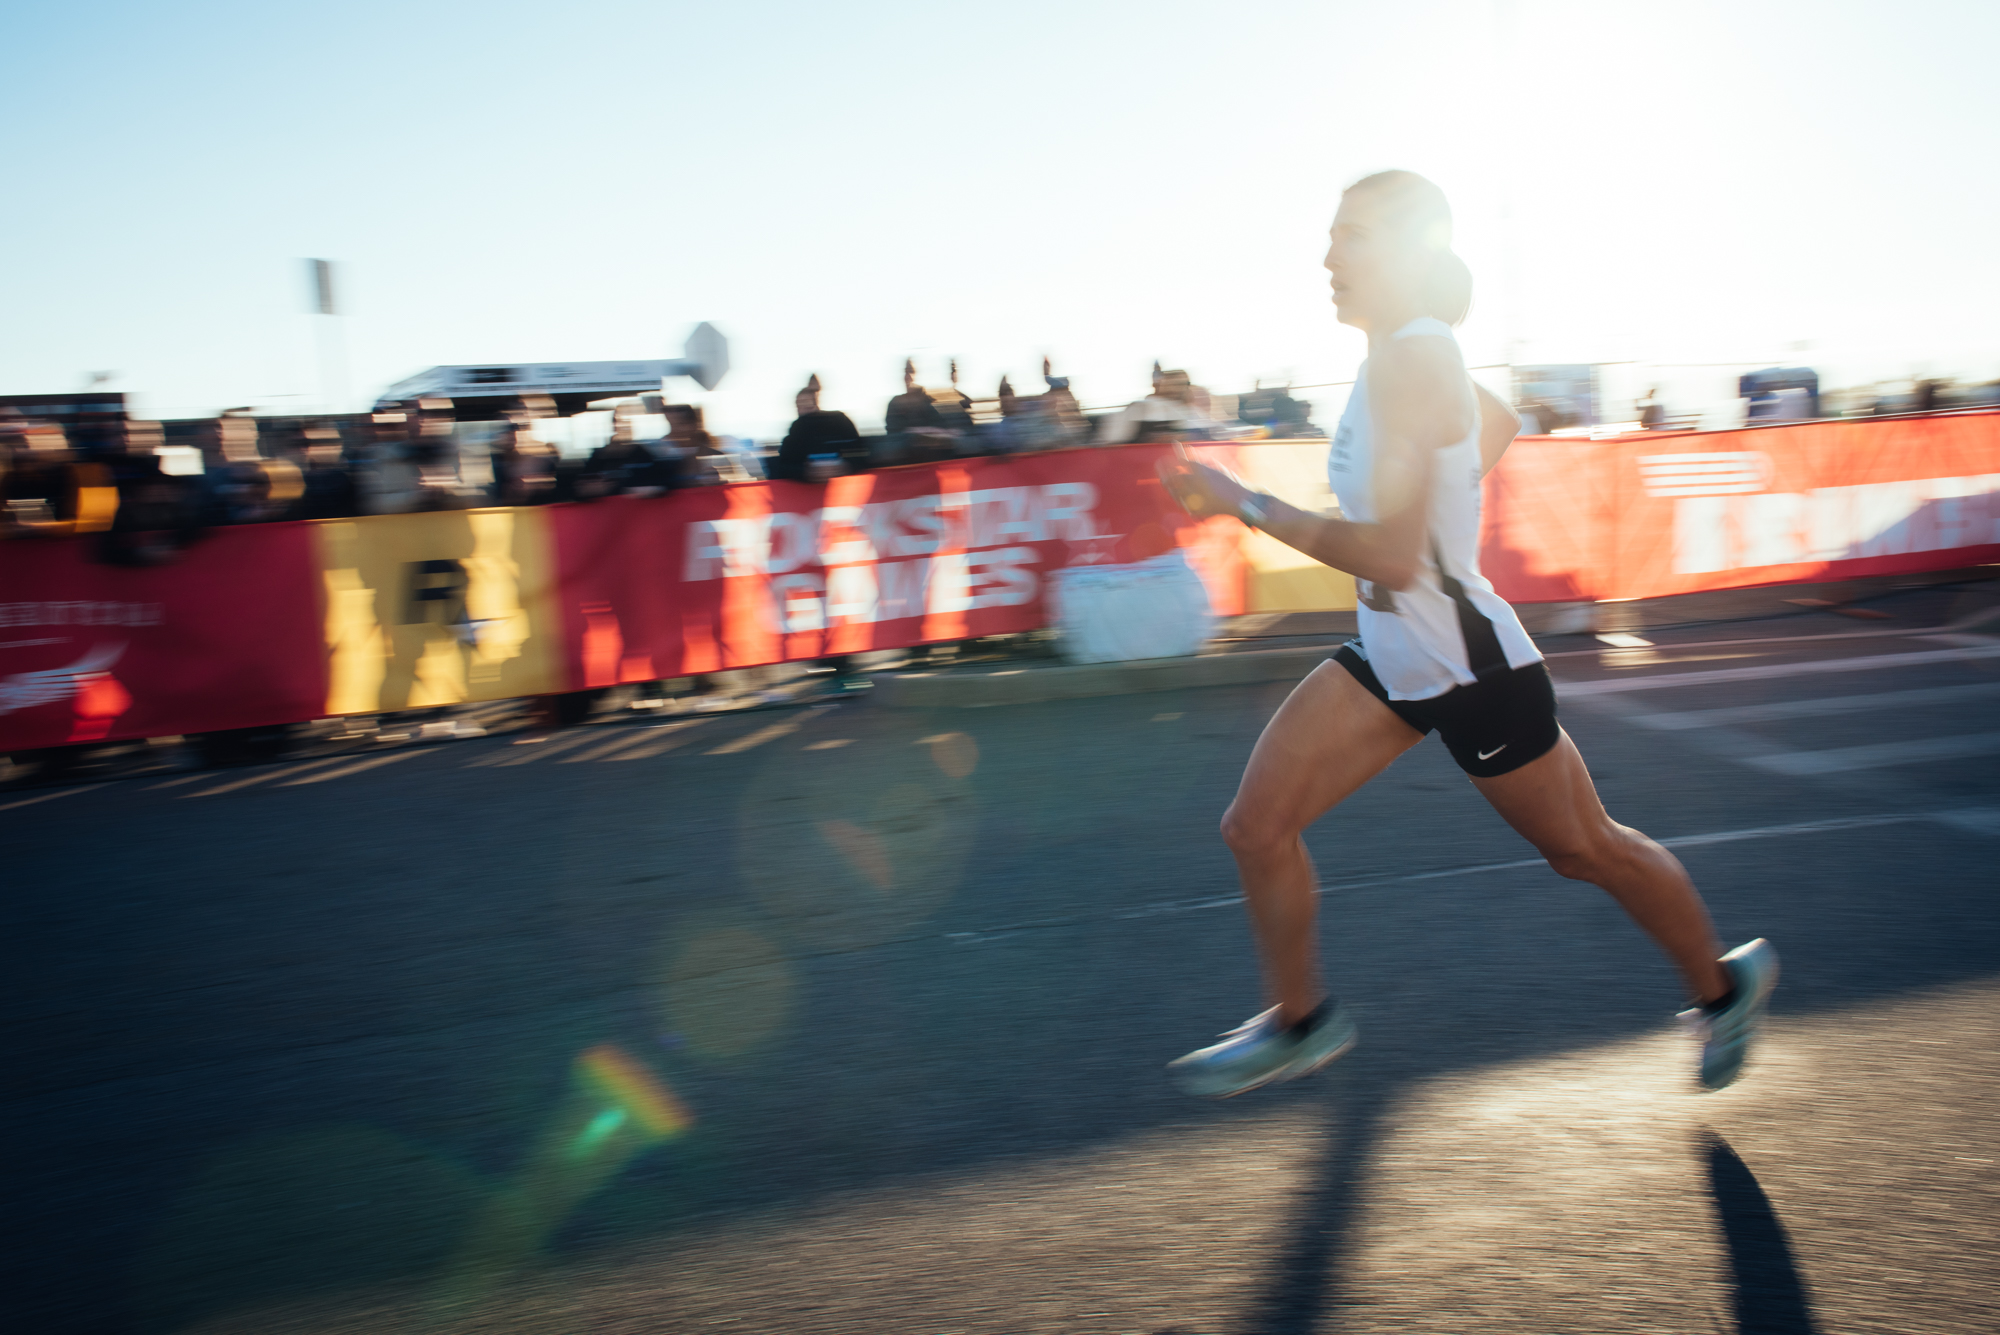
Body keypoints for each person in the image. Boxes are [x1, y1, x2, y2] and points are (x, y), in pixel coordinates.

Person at [1155, 170, 1776, 1098]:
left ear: (1408, 255)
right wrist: (1451, 504)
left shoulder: (1412, 360)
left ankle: (1725, 989)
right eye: (1330, 235)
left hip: (1469, 668)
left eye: (1352, 236)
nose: (1329, 255)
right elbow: (1494, 420)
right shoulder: (1399, 358)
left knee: (1584, 849)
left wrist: (1243, 501)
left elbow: (1396, 558)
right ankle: (1300, 1022)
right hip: (1394, 653)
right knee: (1256, 826)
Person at [770, 375, 863, 482]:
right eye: (799, 405)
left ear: (816, 404)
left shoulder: (839, 422)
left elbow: (861, 452)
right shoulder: (795, 433)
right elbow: (784, 466)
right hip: (807, 494)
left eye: (807, 404)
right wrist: (806, 472)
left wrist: (846, 466)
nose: (803, 409)